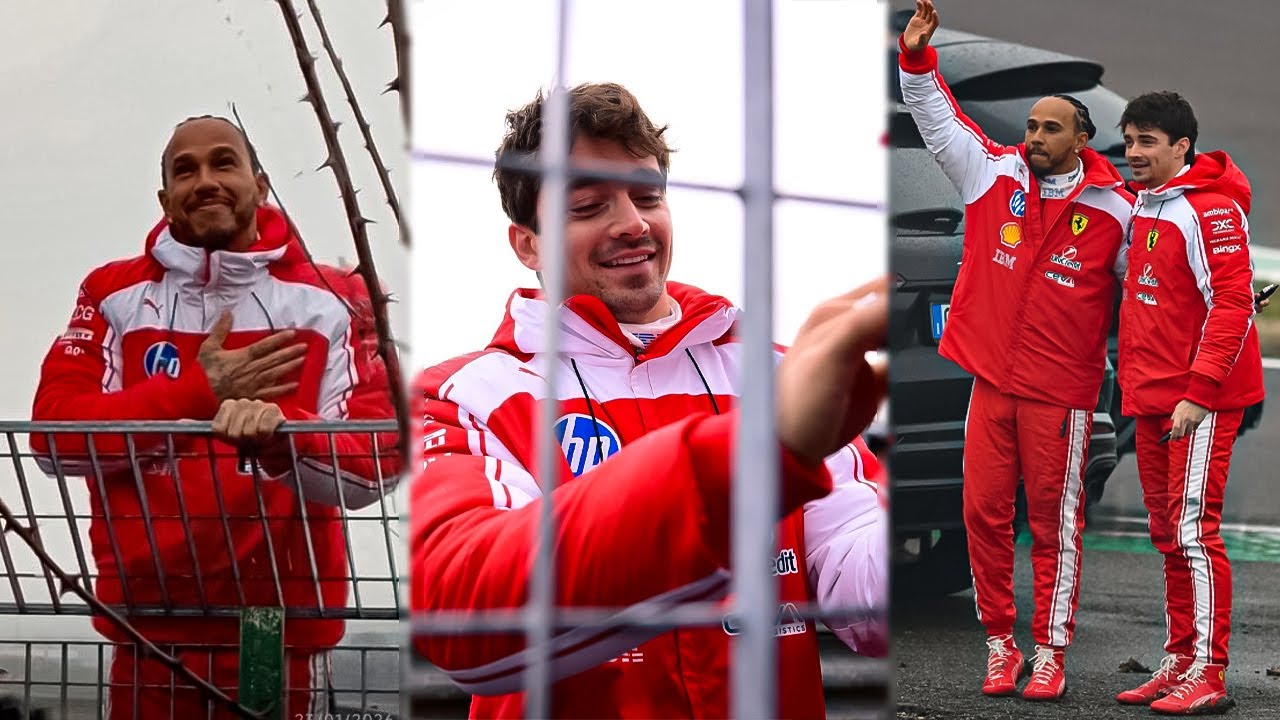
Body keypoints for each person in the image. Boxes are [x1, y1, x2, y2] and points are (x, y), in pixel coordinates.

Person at [409, 82, 888, 718]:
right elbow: (468, 623)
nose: (632, 223)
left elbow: (869, 600)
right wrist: (755, 455)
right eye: (587, 205)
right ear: (526, 244)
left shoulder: (776, 372)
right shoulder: (465, 394)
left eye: (647, 196)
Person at [29, 116, 401, 719]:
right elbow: (54, 439)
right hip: (148, 624)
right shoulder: (112, 293)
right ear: (164, 198)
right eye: (185, 170)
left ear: (260, 182)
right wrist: (198, 393)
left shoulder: (335, 298)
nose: (205, 181)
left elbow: (378, 464)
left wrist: (282, 439)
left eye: (223, 163)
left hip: (281, 626)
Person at [898, 0, 1135, 700]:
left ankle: (1052, 651)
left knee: (1054, 524)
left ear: (1081, 139)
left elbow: (1153, 291)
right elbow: (935, 116)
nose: (1033, 136)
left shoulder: (1117, 210)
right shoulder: (991, 174)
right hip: (989, 385)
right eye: (1029, 125)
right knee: (981, 514)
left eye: (1049, 128)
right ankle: (1001, 644)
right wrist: (916, 57)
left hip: (1061, 394)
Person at [1112, 91, 1264, 715]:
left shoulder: (1210, 210)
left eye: (1147, 142)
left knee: (1195, 535)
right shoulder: (1146, 206)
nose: (1133, 154)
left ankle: (1210, 672)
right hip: (1151, 401)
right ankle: (1179, 659)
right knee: (1168, 535)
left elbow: (1234, 304)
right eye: (1128, 141)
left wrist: (1199, 393)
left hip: (1198, 403)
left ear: (1181, 147)